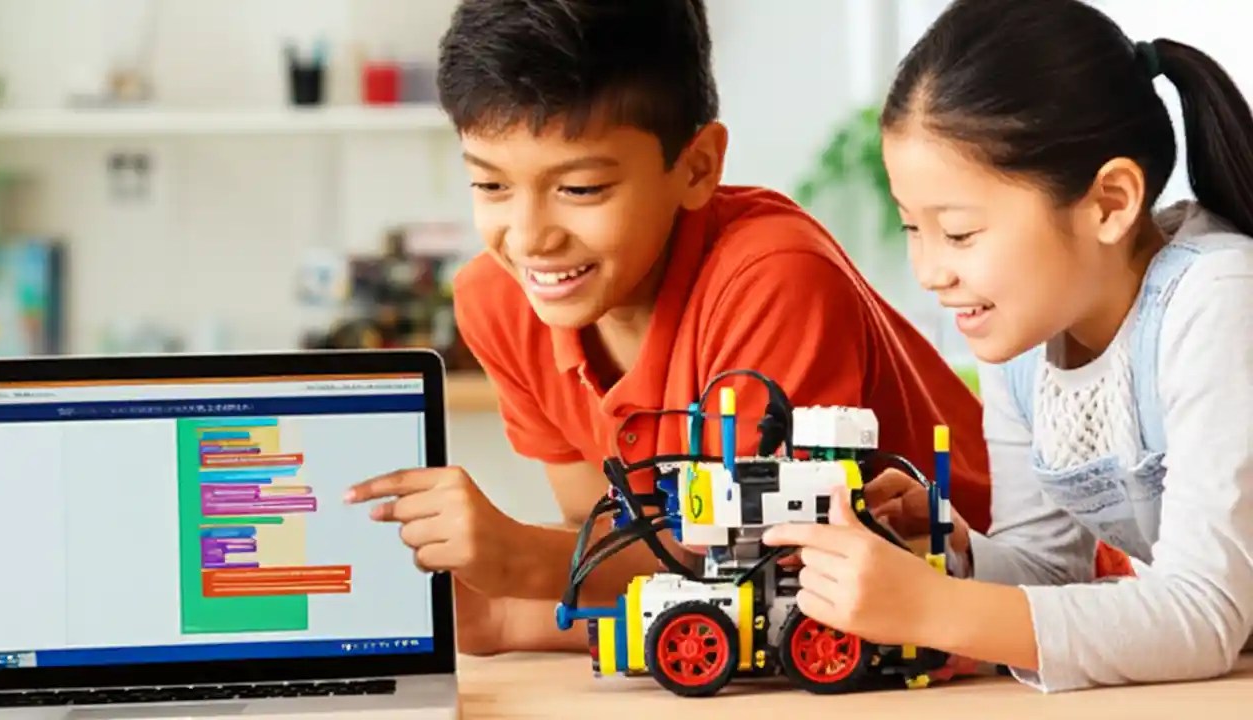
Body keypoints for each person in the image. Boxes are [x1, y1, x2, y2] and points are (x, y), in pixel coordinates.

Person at [344, 0, 993, 656]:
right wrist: (503, 617)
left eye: (581, 189)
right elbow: (611, 547)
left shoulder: (773, 277)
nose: (530, 237)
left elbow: (762, 563)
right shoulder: (500, 301)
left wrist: (523, 562)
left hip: (1004, 611)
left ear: (697, 166)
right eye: (489, 185)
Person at [764, 0, 1253, 694]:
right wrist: (954, 556)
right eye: (912, 228)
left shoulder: (1217, 298)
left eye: (959, 233)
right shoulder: (1025, 333)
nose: (932, 271)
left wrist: (935, 609)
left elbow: (1205, 616)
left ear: (1109, 203)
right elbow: (1050, 571)